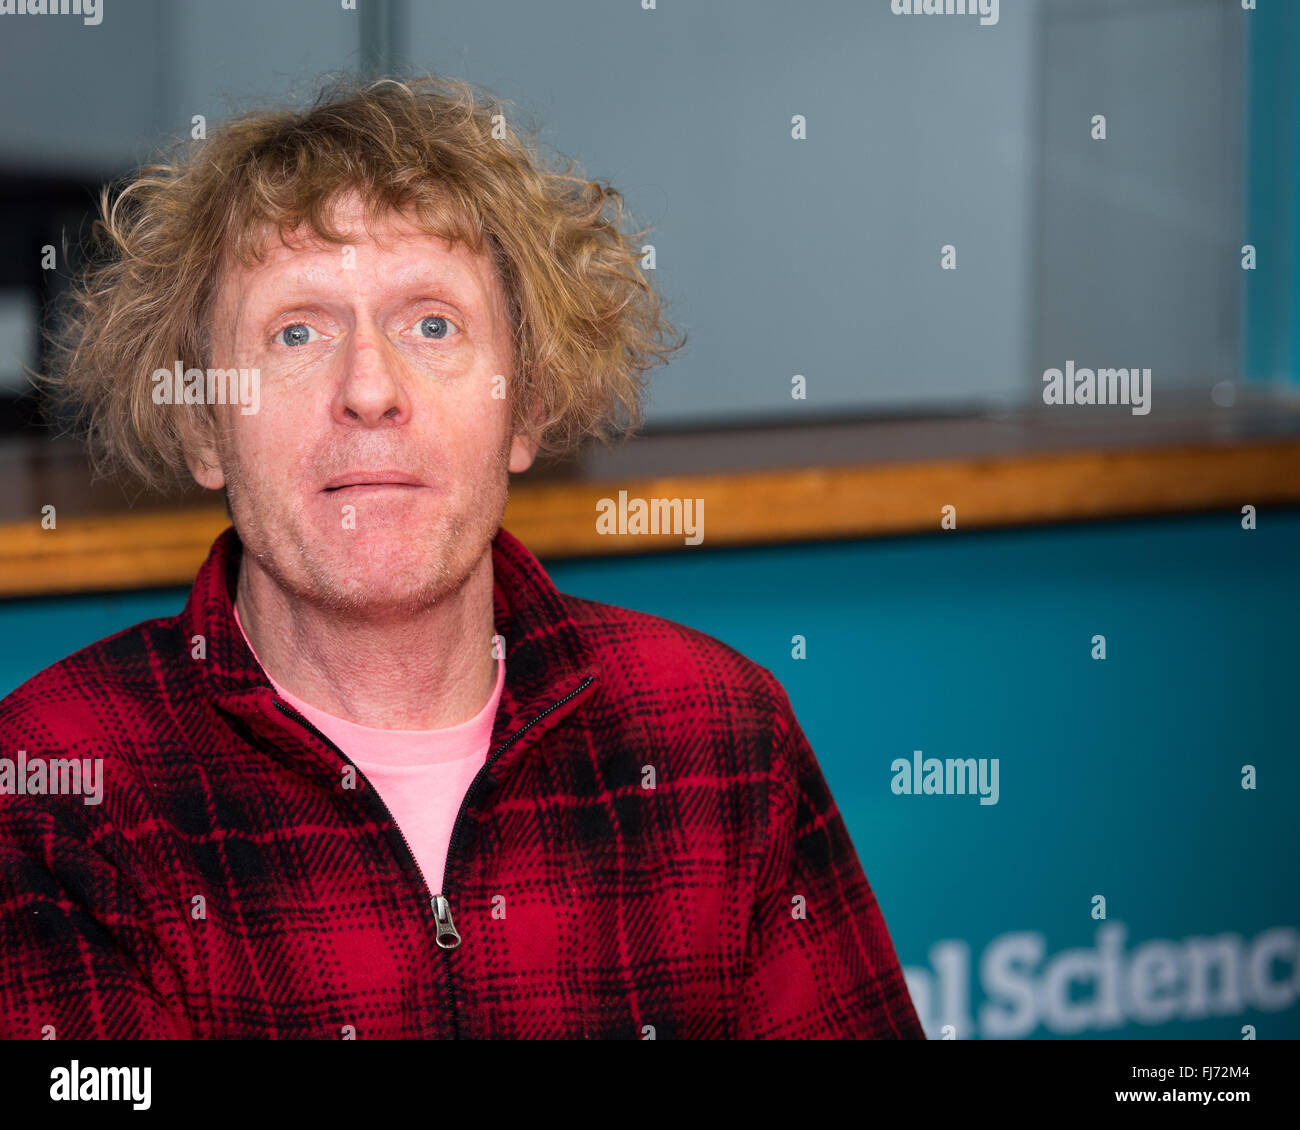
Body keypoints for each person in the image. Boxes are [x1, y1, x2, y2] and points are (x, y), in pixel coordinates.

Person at [0, 75, 923, 1040]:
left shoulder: (719, 736)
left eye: (432, 325)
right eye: (298, 331)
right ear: (202, 426)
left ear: (525, 406)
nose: (368, 389)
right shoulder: (60, 783)